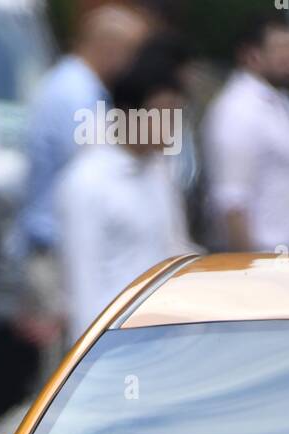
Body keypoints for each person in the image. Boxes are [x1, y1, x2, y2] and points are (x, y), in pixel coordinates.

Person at [14, 3, 150, 349]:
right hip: (59, 252)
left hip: (60, 249)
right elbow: (96, 173)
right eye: (134, 54)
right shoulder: (77, 95)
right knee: (66, 367)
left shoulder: (74, 86)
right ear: (109, 49)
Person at [55, 49, 194, 343]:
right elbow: (83, 282)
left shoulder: (159, 171)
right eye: (162, 114)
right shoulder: (86, 181)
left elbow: (175, 248)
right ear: (129, 114)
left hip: (161, 336)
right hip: (112, 344)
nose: (171, 128)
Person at [202, 11, 289, 254]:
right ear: (251, 54)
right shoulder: (236, 110)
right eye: (281, 48)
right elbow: (231, 203)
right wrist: (249, 273)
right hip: (262, 261)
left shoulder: (284, 100)